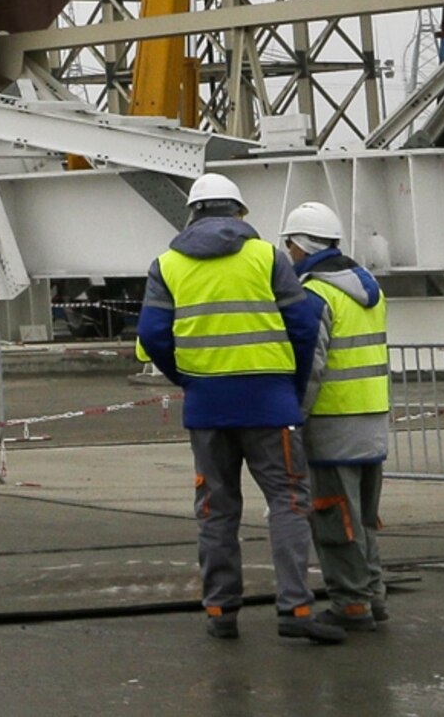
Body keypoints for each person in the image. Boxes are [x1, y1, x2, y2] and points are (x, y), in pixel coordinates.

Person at [138, 172, 338, 645]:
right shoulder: (268, 256)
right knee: (288, 503)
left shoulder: (166, 265)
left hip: (207, 408)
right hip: (270, 405)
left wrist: (189, 378)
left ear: (192, 214)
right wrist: (288, 386)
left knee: (216, 509)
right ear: (240, 213)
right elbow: (304, 326)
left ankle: (220, 611)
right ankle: (296, 608)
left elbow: (151, 336)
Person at [285, 201, 391, 632]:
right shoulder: (369, 288)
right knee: (363, 517)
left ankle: (351, 604)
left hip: (332, 422)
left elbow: (312, 365)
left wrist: (294, 417)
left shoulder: (316, 294)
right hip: (372, 418)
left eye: (288, 246)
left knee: (334, 515)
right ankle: (373, 595)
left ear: (301, 245)